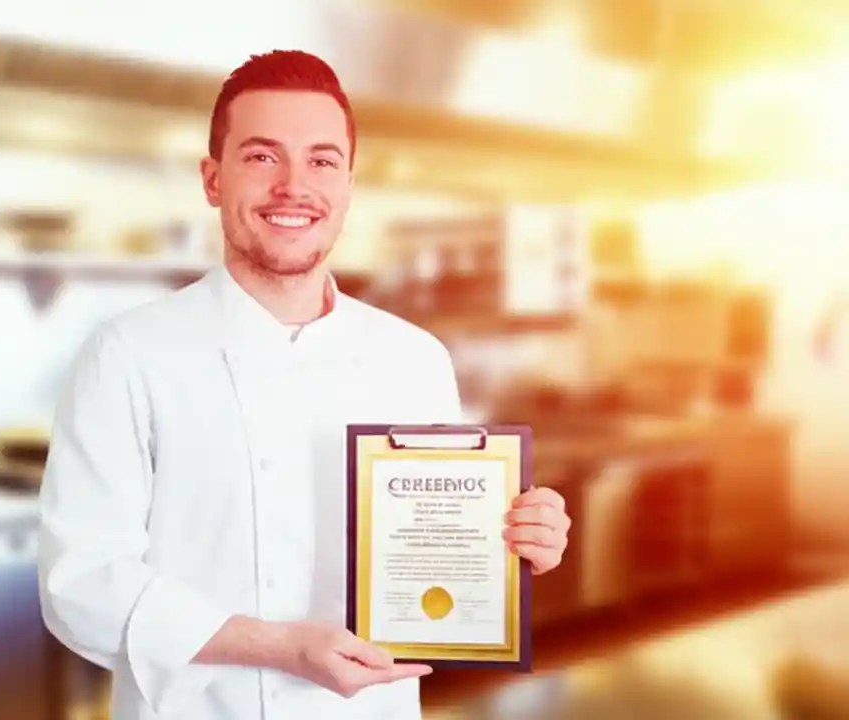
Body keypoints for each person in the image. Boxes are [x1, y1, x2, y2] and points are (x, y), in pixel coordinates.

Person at [37, 49, 571, 720]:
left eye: (321, 161)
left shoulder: (413, 358)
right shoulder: (127, 354)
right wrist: (279, 647)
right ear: (212, 178)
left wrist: (520, 540)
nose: (295, 185)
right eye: (263, 157)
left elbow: (445, 551)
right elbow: (80, 585)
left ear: (349, 183)